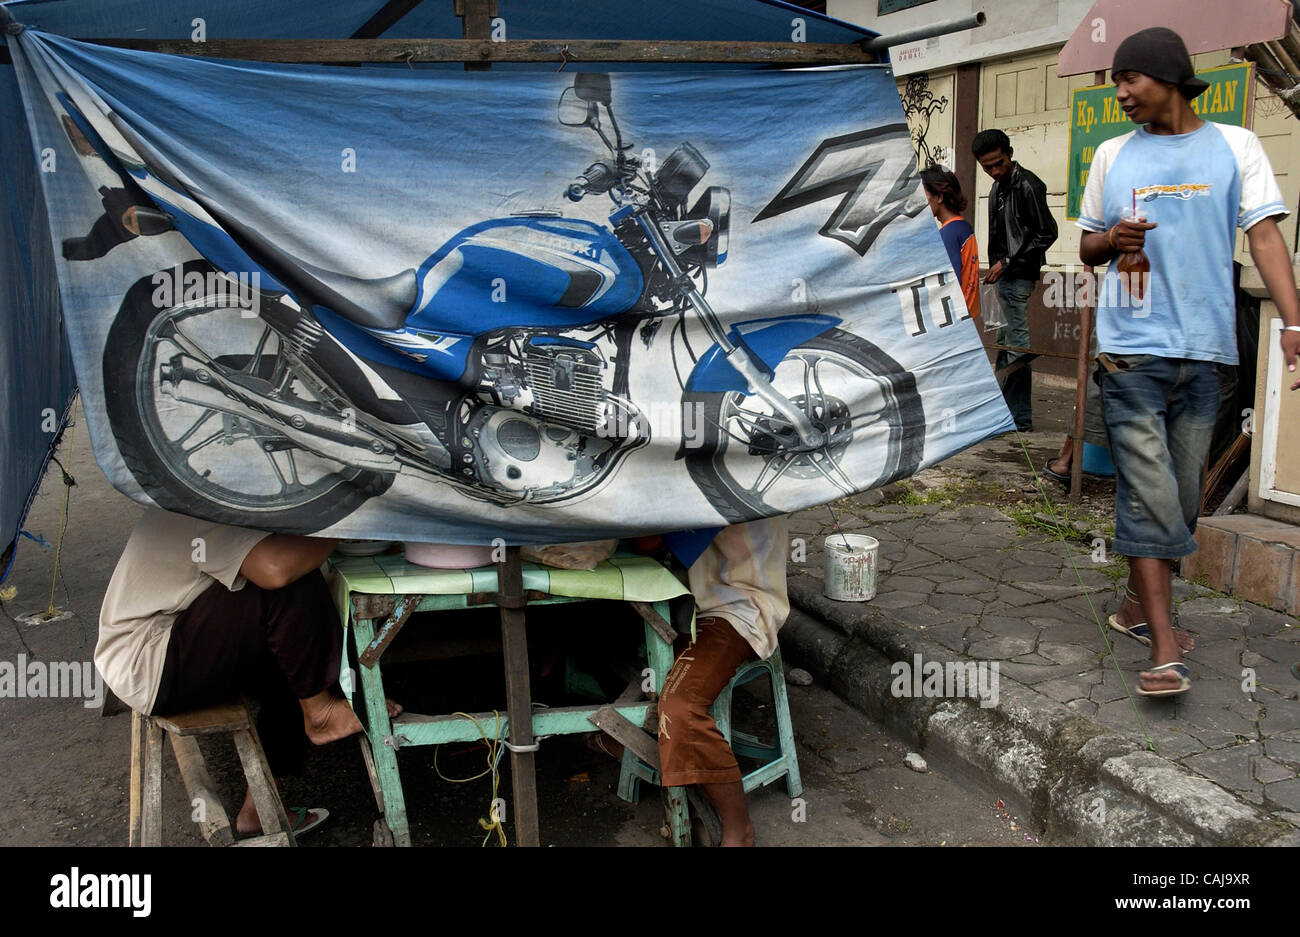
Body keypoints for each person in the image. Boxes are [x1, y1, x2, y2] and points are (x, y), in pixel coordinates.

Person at [1076, 27, 1300, 697]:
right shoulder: (1113, 154)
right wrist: (1112, 239)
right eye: (1117, 80)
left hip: (1206, 352)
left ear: (1169, 76)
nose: (1120, 93)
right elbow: (1086, 247)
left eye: (1130, 78)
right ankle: (1164, 646)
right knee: (1148, 492)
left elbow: (1265, 237)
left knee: (1178, 501)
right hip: (1130, 352)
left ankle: (1133, 606)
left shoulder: (1237, 146)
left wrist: (1293, 321)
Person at [96, 508, 397, 837]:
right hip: (148, 663)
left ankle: (257, 811)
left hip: (164, 645)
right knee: (287, 583)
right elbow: (275, 570)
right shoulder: (199, 503)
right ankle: (321, 714)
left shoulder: (209, 492)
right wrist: (343, 527)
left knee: (291, 648)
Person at [656, 515, 789, 846]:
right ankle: (634, 748)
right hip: (698, 602)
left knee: (679, 709)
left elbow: (647, 541)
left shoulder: (716, 487)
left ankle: (738, 828)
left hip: (738, 608)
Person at [973, 128, 1058, 432]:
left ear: (1010, 153)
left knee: (1016, 345)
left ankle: (1019, 418)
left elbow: (1047, 233)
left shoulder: (1027, 185)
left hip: (1018, 274)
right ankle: (1005, 413)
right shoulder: (998, 188)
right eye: (987, 167)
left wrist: (1007, 262)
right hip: (1005, 276)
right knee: (1005, 342)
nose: (995, 171)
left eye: (999, 163)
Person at [921, 164, 981, 321]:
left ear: (939, 197)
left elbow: (949, 283)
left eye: (923, 196)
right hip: (968, 315)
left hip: (955, 318)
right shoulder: (964, 227)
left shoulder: (948, 234)